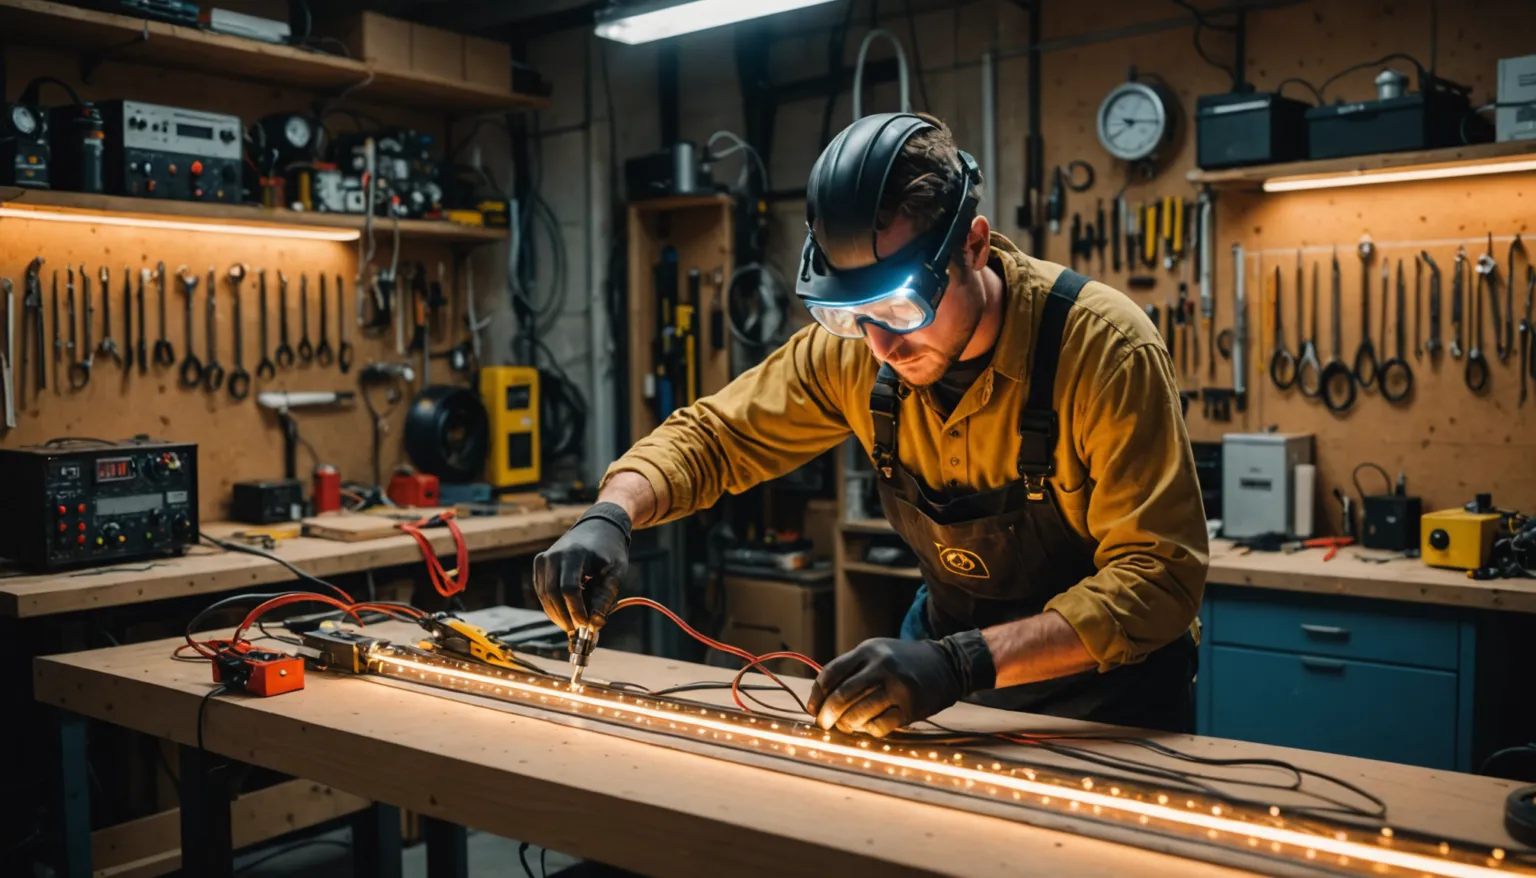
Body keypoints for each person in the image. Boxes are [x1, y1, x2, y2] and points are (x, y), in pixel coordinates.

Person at [533, 112, 1208, 736]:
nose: (880, 343)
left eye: (902, 305)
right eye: (851, 312)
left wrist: (960, 665)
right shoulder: (856, 346)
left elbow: (1158, 580)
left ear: (973, 246)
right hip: (947, 677)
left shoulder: (1103, 351)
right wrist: (612, 513)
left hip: (1107, 700)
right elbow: (718, 436)